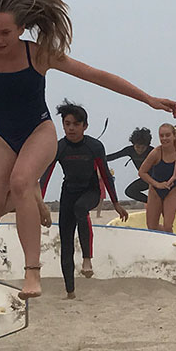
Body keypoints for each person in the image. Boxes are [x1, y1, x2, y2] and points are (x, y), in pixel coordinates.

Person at [0, 0, 176, 299]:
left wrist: (148, 99)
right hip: (5, 138)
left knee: (21, 180)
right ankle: (29, 199)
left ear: (21, 27)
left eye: (5, 32)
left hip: (40, 131)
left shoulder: (37, 54)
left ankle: (31, 273)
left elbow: (97, 75)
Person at [37, 101, 128, 299]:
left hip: (91, 191)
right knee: (66, 241)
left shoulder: (94, 146)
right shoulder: (59, 147)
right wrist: (38, 203)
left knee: (80, 208)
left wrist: (116, 203)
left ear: (85, 126)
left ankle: (87, 259)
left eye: (75, 124)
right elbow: (45, 176)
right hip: (68, 192)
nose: (71, 128)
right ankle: (70, 291)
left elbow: (105, 174)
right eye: (67, 123)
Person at [139, 124, 176, 232]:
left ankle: (169, 237)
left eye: (167, 135)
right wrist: (157, 184)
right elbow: (142, 172)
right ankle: (166, 237)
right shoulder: (156, 153)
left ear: (174, 136)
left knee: (168, 226)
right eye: (161, 136)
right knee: (152, 226)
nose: (164, 138)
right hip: (155, 191)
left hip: (171, 190)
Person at [105, 128, 156, 204]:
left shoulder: (153, 151)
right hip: (145, 179)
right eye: (138, 147)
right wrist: (95, 157)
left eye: (143, 148)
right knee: (130, 191)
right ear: (133, 144)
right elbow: (113, 156)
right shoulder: (130, 150)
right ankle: (152, 202)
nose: (140, 150)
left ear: (147, 146)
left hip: (157, 179)